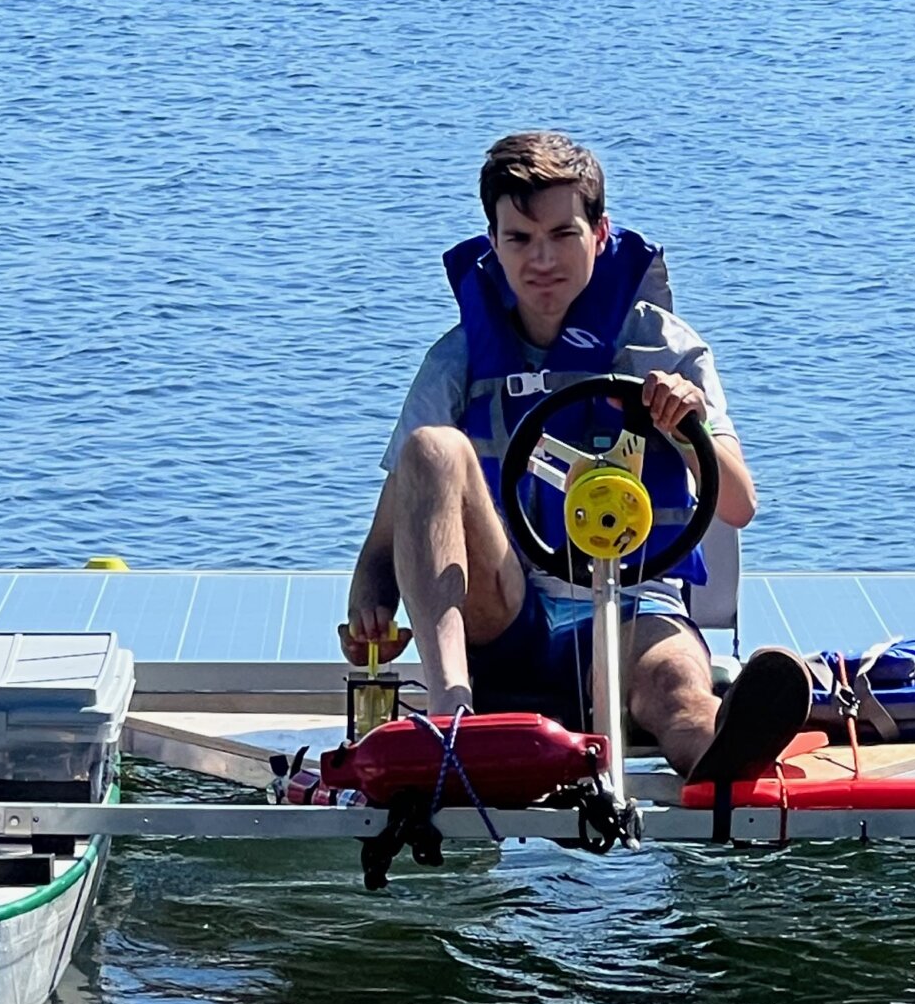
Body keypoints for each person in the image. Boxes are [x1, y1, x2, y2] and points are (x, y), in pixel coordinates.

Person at [342, 131, 808, 782]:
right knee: (431, 447)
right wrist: (370, 603)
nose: (542, 260)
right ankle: (452, 716)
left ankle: (724, 754)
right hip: (506, 612)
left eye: (563, 235)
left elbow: (738, 503)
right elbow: (388, 532)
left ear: (599, 232)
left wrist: (685, 423)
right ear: (493, 244)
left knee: (676, 692)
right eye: (520, 240)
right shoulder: (456, 362)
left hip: (633, 604)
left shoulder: (666, 349)